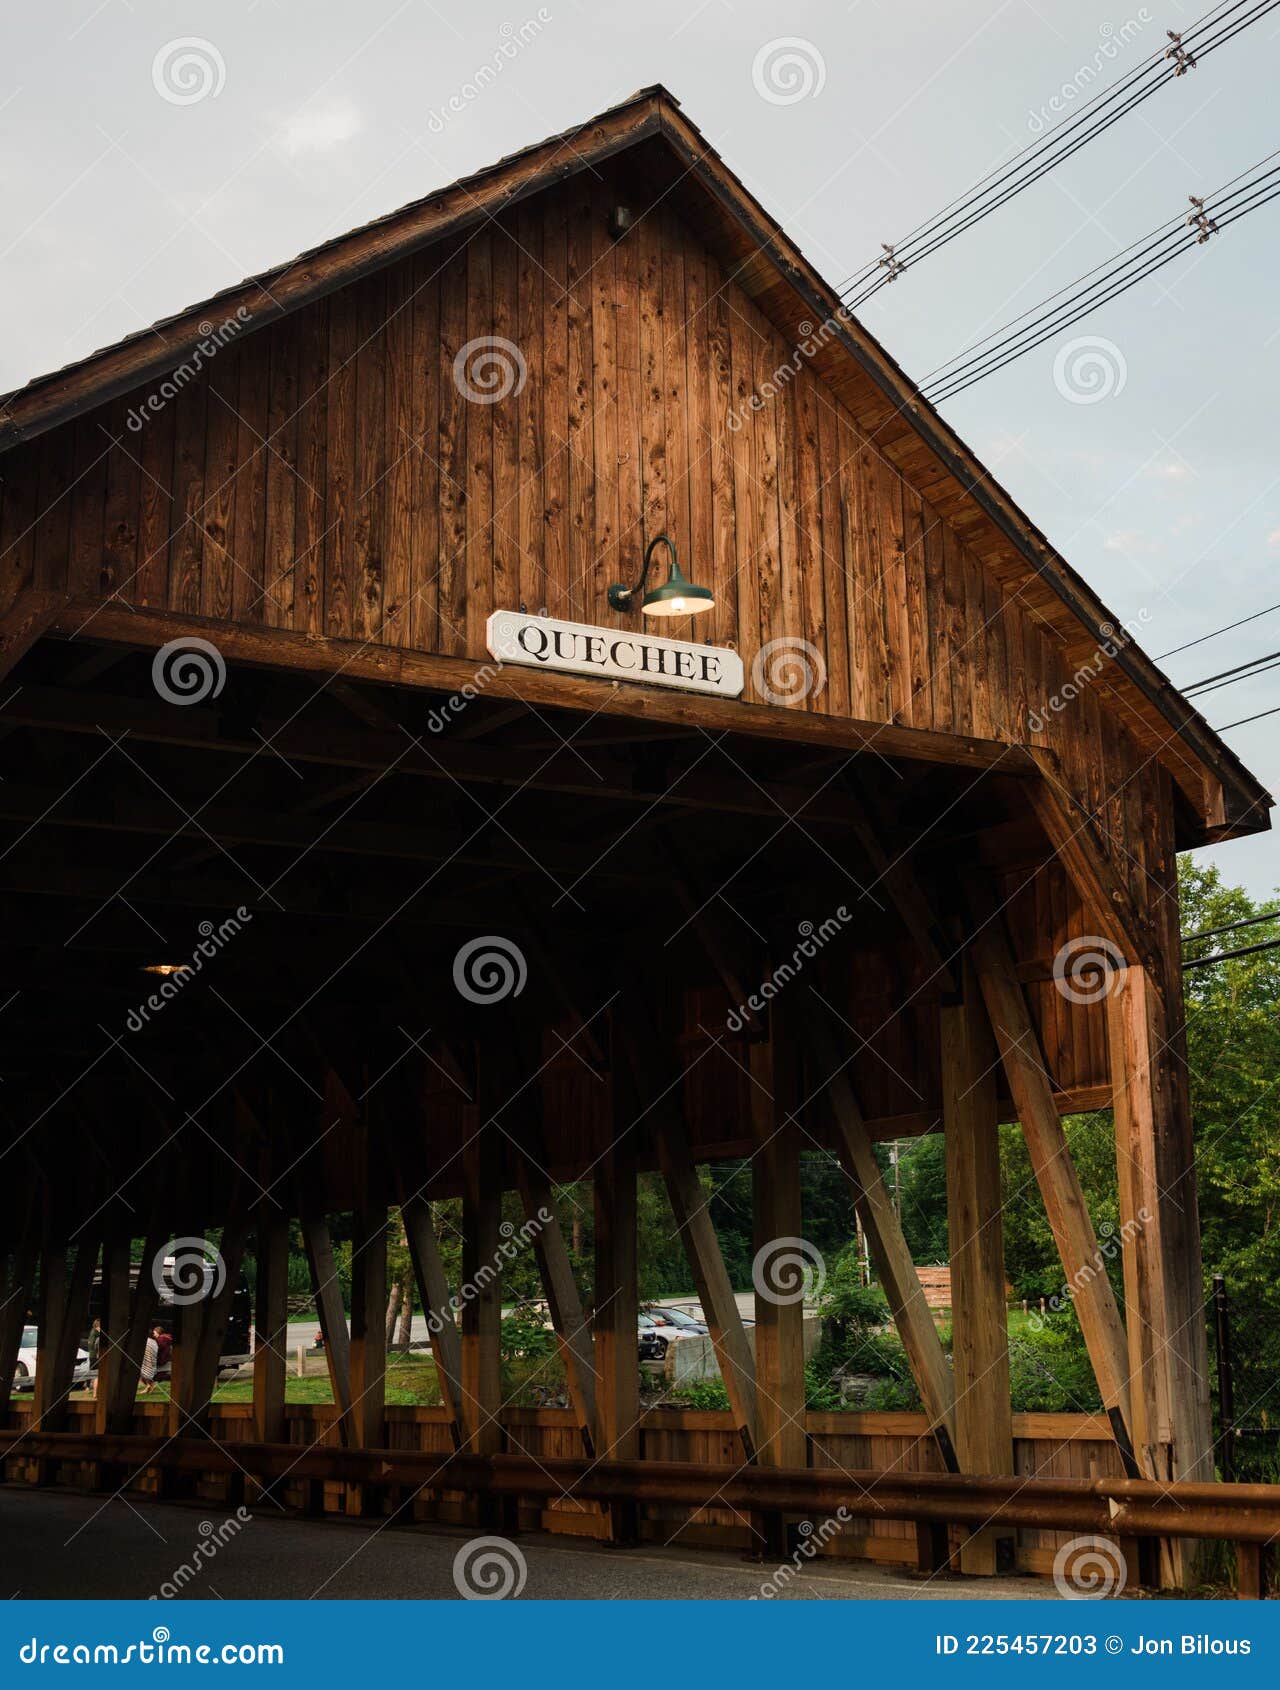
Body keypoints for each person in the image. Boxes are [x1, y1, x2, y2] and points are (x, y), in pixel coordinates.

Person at [139, 1329, 159, 1394]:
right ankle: (150, 1386)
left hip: (147, 1360)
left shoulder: (147, 1341)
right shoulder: (154, 1342)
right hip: (153, 1361)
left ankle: (149, 1386)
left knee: (143, 1373)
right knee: (146, 1374)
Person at [87, 1318, 102, 1397]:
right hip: (95, 1356)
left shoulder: (94, 1332)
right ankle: (94, 1391)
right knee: (96, 1374)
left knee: (95, 1373)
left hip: (94, 1355)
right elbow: (93, 1344)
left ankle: (91, 1388)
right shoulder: (95, 1333)